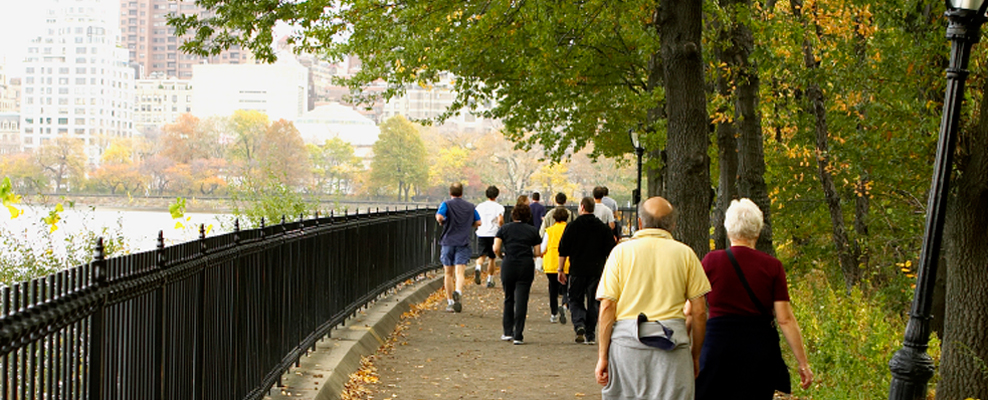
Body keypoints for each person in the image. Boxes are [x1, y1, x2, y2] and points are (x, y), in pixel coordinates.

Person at [594, 197, 711, 399]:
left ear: (640, 222)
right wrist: (695, 355)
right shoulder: (686, 254)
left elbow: (607, 306)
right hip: (672, 346)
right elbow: (699, 311)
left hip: (627, 345)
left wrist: (603, 356)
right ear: (673, 225)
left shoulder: (620, 253)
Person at [695, 199, 813, 399]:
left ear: (728, 229)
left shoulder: (711, 261)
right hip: (758, 348)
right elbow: (784, 319)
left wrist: (693, 353)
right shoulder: (772, 266)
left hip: (718, 346)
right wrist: (802, 363)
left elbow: (695, 309)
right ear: (757, 231)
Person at [557, 197, 615, 344]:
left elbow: (563, 250)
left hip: (577, 269)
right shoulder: (603, 228)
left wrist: (560, 269)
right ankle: (590, 333)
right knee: (594, 302)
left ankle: (579, 324)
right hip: (597, 270)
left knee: (575, 299)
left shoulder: (573, 226)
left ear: (582, 207)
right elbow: (611, 251)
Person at [493, 202, 543, 345]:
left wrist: (503, 256)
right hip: (525, 265)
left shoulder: (504, 229)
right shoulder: (532, 231)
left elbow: (496, 248)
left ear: (513, 214)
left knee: (509, 297)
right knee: (522, 299)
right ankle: (518, 334)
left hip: (509, 263)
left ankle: (507, 331)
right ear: (528, 216)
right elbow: (538, 252)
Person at [436, 183, 481, 313]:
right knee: (460, 273)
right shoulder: (470, 207)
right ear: (462, 193)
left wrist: (441, 221)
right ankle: (458, 291)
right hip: (463, 242)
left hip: (448, 241)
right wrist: (468, 225)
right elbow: (479, 222)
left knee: (448, 273)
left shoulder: (446, 204)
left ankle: (450, 302)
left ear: (450, 193)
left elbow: (439, 216)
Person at [540, 207, 570, 324]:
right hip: (567, 263)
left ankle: (553, 313)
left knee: (553, 288)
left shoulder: (549, 230)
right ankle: (565, 305)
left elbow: (543, 248)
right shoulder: (569, 229)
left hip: (551, 263)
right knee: (566, 286)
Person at [475, 185, 505, 288]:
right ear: (496, 195)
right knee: (492, 258)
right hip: (493, 233)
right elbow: (500, 220)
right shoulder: (498, 207)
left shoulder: (479, 206)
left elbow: (476, 219)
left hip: (482, 232)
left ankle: (478, 267)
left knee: (481, 255)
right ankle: (490, 279)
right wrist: (501, 227)